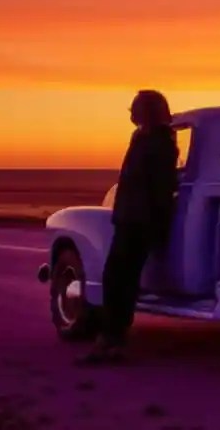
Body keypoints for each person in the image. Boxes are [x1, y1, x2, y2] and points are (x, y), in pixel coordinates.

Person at [78, 90, 179, 365]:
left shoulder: (160, 142)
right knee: (117, 278)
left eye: (134, 108)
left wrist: (158, 224)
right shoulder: (144, 138)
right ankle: (112, 339)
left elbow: (162, 187)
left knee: (120, 279)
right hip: (128, 218)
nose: (130, 113)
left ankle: (113, 340)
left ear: (147, 111)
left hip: (140, 221)